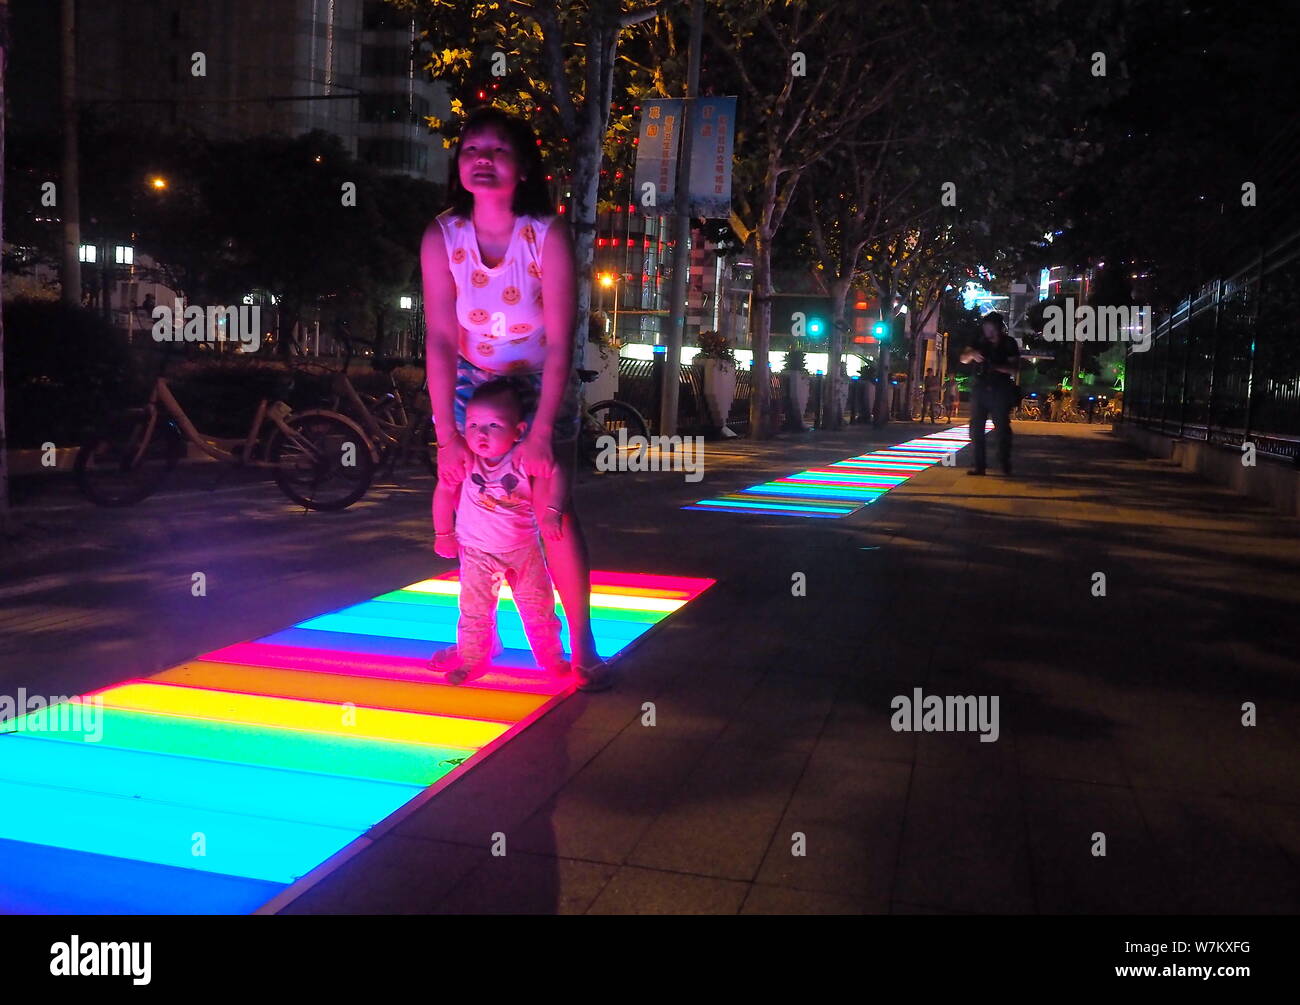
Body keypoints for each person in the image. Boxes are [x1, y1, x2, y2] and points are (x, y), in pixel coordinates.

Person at [421, 106, 611, 691]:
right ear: (458, 165)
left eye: (498, 150)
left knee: (551, 516)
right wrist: (447, 437)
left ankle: (580, 641)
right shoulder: (441, 236)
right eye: (472, 149)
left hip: (537, 388)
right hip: (471, 389)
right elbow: (442, 339)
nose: (483, 159)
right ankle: (476, 636)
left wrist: (542, 430)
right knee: (471, 512)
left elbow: (560, 342)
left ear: (522, 166)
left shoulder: (546, 236)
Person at [430, 379, 570, 683]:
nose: (481, 433)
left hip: (524, 550)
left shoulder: (521, 457)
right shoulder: (466, 460)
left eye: (493, 425)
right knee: (475, 611)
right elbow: (443, 491)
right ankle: (472, 660)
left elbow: (555, 471)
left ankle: (552, 658)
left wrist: (552, 512)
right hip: (477, 552)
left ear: (518, 431)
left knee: (539, 608)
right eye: (473, 425)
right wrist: (443, 533)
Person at [959, 311, 1021, 475]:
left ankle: (1004, 463)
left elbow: (1014, 369)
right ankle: (979, 466)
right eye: (985, 326)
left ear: (998, 328)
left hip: (1000, 390)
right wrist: (972, 354)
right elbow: (963, 358)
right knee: (976, 428)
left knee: (1002, 428)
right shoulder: (979, 342)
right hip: (980, 388)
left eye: (990, 326)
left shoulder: (1009, 343)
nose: (986, 330)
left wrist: (995, 367)